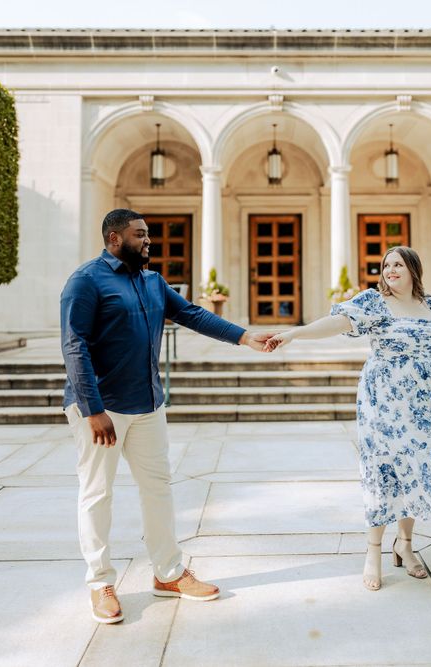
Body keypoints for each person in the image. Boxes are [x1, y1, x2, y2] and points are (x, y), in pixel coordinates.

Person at [61, 208, 273, 623]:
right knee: (97, 493)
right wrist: (93, 409)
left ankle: (169, 573)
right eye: (140, 234)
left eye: (148, 235)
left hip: (148, 404)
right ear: (114, 239)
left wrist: (245, 336)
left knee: (158, 489)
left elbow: (192, 314)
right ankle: (99, 582)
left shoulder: (152, 281)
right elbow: (74, 346)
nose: (148, 241)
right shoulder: (86, 281)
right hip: (101, 409)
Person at [264, 246, 431, 590]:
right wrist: (294, 333)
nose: (390, 270)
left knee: (417, 468)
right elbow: (336, 323)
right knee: (383, 468)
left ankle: (405, 546)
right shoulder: (374, 303)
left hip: (429, 399)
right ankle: (373, 551)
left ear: (413, 268)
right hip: (386, 399)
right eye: (385, 265)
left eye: (397, 264)